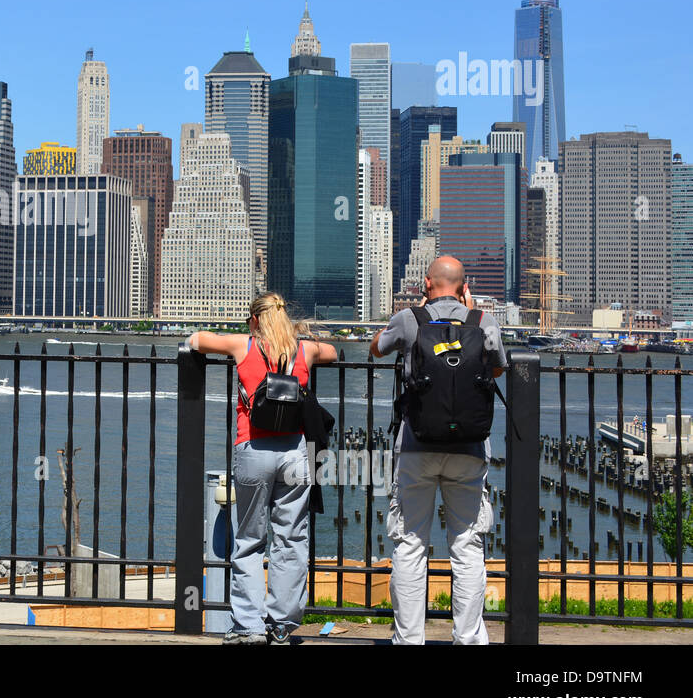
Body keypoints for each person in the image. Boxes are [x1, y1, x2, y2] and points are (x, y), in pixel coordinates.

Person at [369, 255, 506, 645]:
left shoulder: (410, 318)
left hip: (416, 445)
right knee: (467, 545)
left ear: (426, 283)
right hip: (470, 448)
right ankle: (469, 638)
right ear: (464, 286)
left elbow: (375, 348)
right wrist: (472, 310)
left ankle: (410, 639)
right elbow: (497, 368)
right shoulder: (483, 321)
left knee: (410, 543)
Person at [190, 293, 338, 645]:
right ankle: (282, 624)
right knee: (291, 539)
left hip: (253, 448)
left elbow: (196, 340)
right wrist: (300, 335)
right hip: (295, 453)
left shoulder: (244, 346)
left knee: (249, 541)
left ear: (255, 320)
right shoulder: (306, 350)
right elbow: (334, 352)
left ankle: (249, 626)